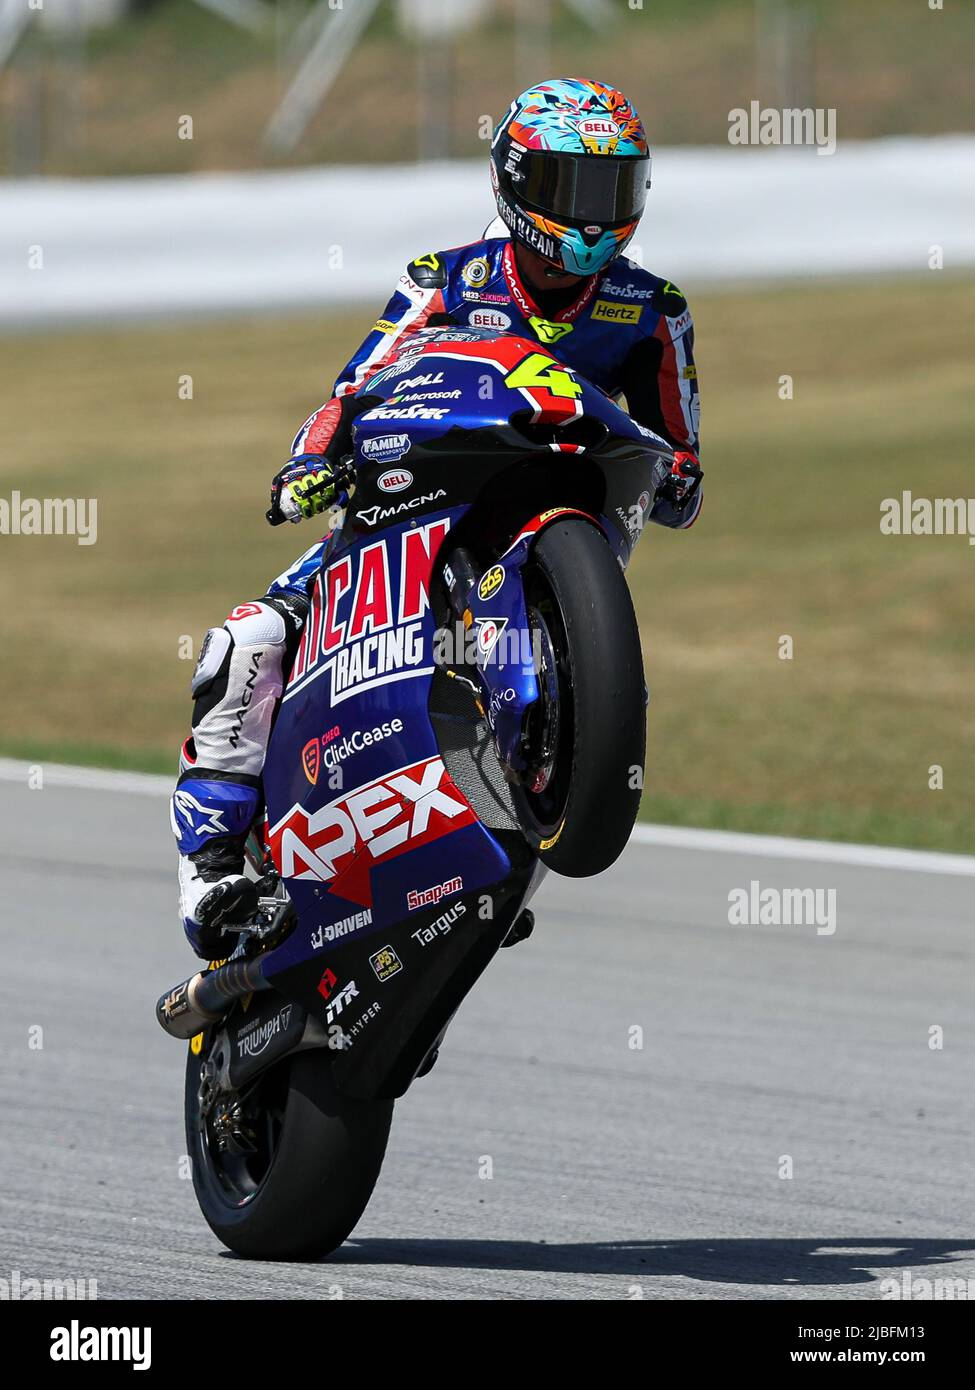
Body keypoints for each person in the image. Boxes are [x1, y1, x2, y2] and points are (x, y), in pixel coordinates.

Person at [171, 76, 703, 960]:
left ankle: (499, 839)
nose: (592, 215)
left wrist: (679, 475)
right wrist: (309, 461)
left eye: (612, 191)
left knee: (597, 683)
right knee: (250, 638)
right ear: (518, 183)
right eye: (572, 188)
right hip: (422, 502)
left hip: (562, 523)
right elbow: (352, 389)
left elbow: (679, 449)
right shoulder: (444, 278)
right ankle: (214, 867)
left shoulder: (653, 310)